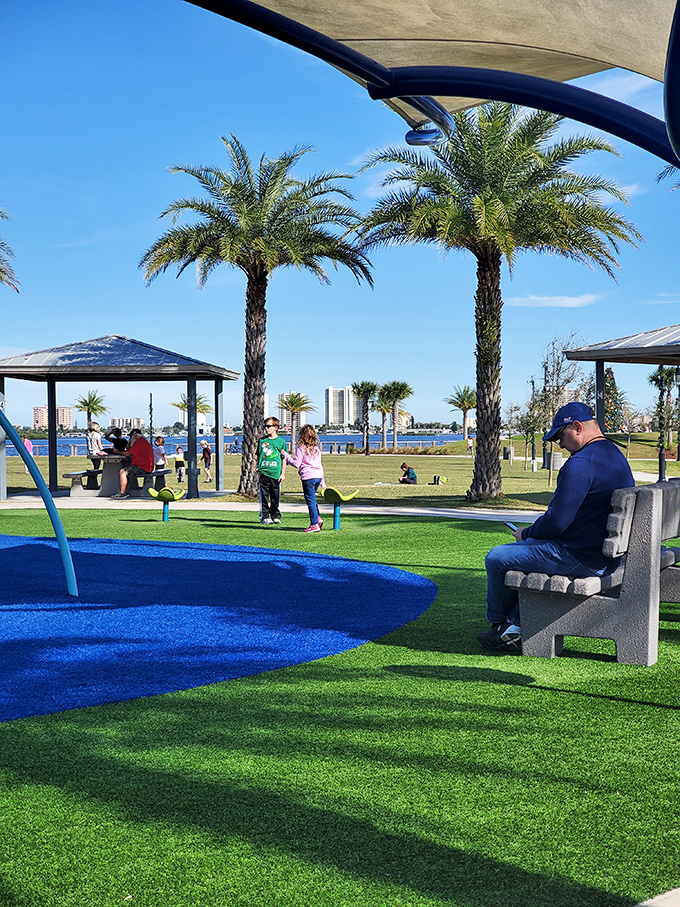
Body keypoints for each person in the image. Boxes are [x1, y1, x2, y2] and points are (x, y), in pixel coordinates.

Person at [477, 401, 635, 653]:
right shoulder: (615, 455)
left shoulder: (580, 463)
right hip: (608, 555)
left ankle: (501, 625)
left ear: (576, 427)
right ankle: (516, 621)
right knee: (528, 546)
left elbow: (557, 521)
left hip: (580, 557)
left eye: (560, 436)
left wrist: (525, 533)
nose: (559, 444)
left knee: (497, 557)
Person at [282, 424, 326, 532]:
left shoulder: (301, 449)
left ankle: (314, 524)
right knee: (312, 499)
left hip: (308, 478)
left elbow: (296, 463)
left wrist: (287, 456)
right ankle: (317, 518)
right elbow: (319, 465)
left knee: (310, 500)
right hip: (317, 477)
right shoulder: (316, 449)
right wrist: (323, 482)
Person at [257, 417, 287, 525]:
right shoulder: (262, 441)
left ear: (276, 427)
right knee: (264, 496)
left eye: (269, 426)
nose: (266, 428)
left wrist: (282, 473)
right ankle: (264, 516)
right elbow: (259, 455)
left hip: (275, 474)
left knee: (275, 496)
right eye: (265, 426)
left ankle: (275, 515)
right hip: (264, 473)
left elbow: (284, 459)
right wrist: (258, 467)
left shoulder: (281, 442)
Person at [112, 428, 154, 499]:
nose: (130, 438)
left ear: (135, 436)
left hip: (143, 467)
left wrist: (117, 452)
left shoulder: (139, 442)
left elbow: (128, 453)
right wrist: (129, 443)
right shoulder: (143, 442)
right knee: (129, 471)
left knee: (123, 471)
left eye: (130, 437)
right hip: (146, 466)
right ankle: (127, 490)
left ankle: (122, 493)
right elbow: (130, 450)